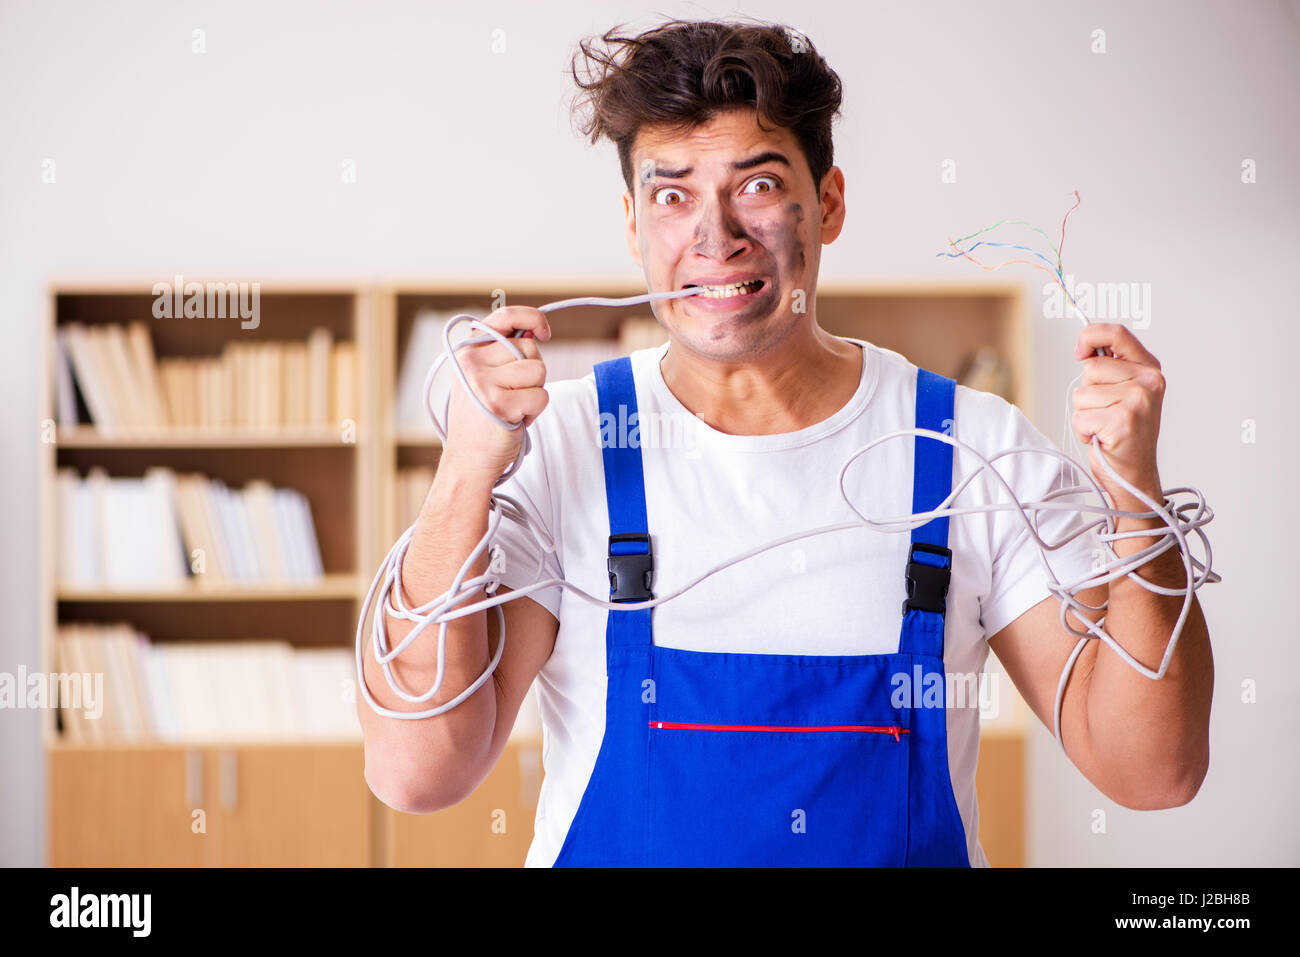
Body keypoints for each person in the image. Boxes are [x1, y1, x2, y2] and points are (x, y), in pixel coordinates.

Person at [358, 18, 1213, 867]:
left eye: (758, 186)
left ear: (828, 202)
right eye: (672, 194)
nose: (714, 234)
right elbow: (415, 771)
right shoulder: (563, 448)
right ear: (632, 225)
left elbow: (1153, 772)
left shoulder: (970, 451)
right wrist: (465, 472)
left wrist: (1134, 491)